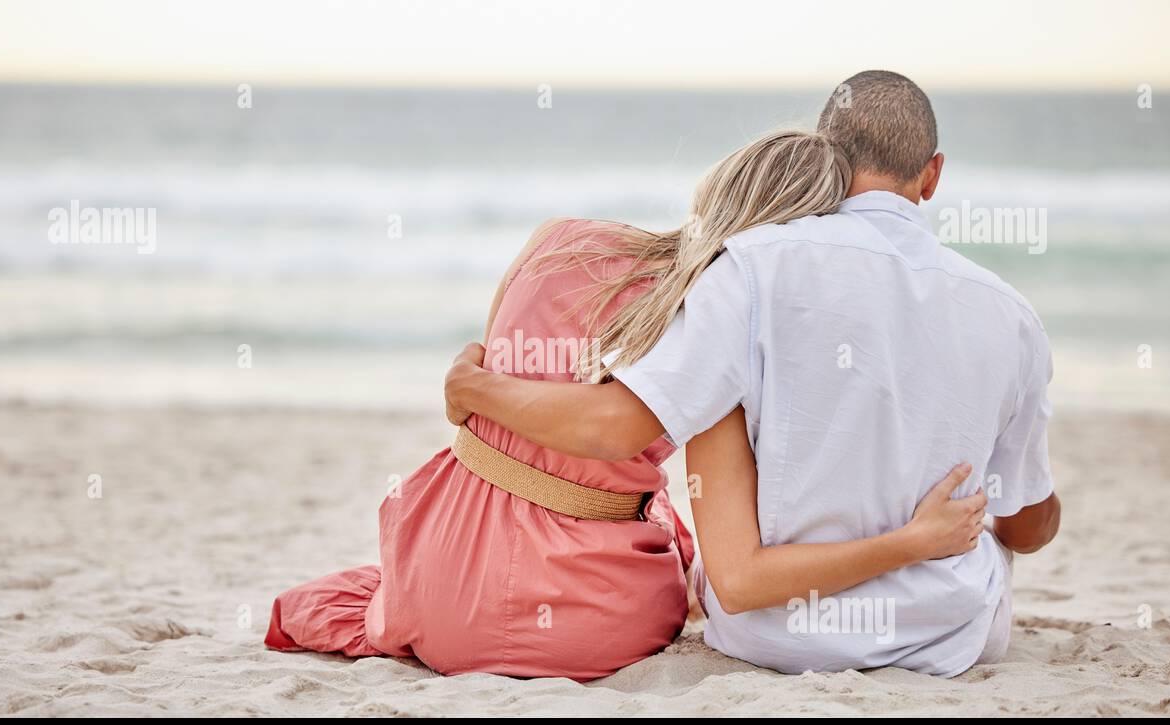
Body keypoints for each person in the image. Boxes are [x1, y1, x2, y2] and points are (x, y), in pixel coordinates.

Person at [267, 129, 990, 681]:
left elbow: (502, 373)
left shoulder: (559, 243)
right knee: (679, 550)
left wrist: (471, 390)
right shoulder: (723, 316)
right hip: (586, 619)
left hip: (438, 570)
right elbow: (617, 431)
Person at [444, 71, 1061, 676]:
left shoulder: (749, 268)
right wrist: (963, 519)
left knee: (729, 400)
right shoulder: (1010, 314)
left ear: (830, 162)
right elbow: (1029, 526)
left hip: (777, 636)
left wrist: (475, 388)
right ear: (933, 175)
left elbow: (616, 428)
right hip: (949, 635)